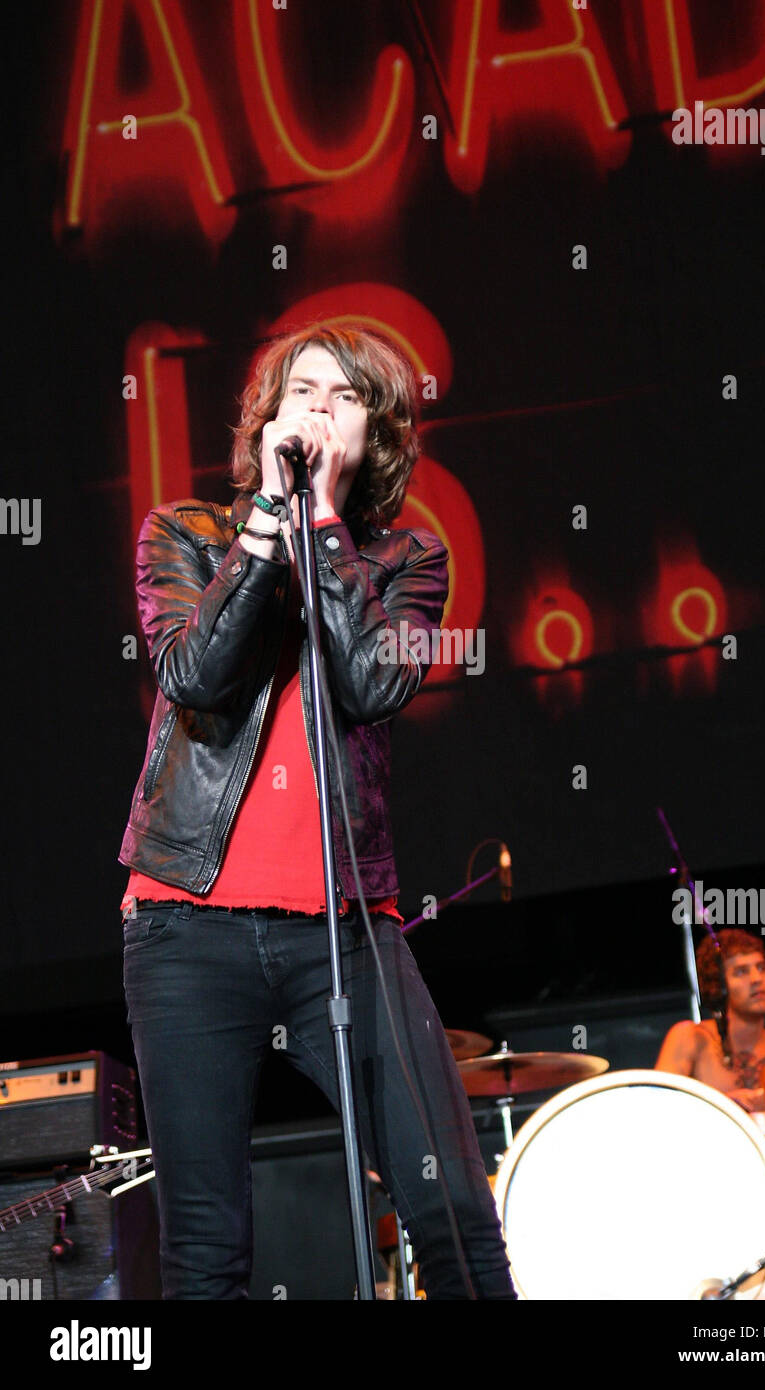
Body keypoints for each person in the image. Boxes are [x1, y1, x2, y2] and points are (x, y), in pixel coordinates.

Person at [118, 323, 515, 1300]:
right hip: (186, 928)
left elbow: (377, 682)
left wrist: (323, 527)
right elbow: (193, 671)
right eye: (301, 390)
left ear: (373, 433)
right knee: (205, 1254)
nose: (316, 410)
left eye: (343, 397)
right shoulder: (183, 533)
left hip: (343, 930)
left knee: (455, 1216)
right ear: (267, 416)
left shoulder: (404, 559)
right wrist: (265, 524)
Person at [655, 929, 765, 1113]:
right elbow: (656, 1105)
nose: (757, 979)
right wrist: (722, 1104)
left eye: (761, 968)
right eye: (741, 972)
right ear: (718, 985)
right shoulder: (690, 1037)